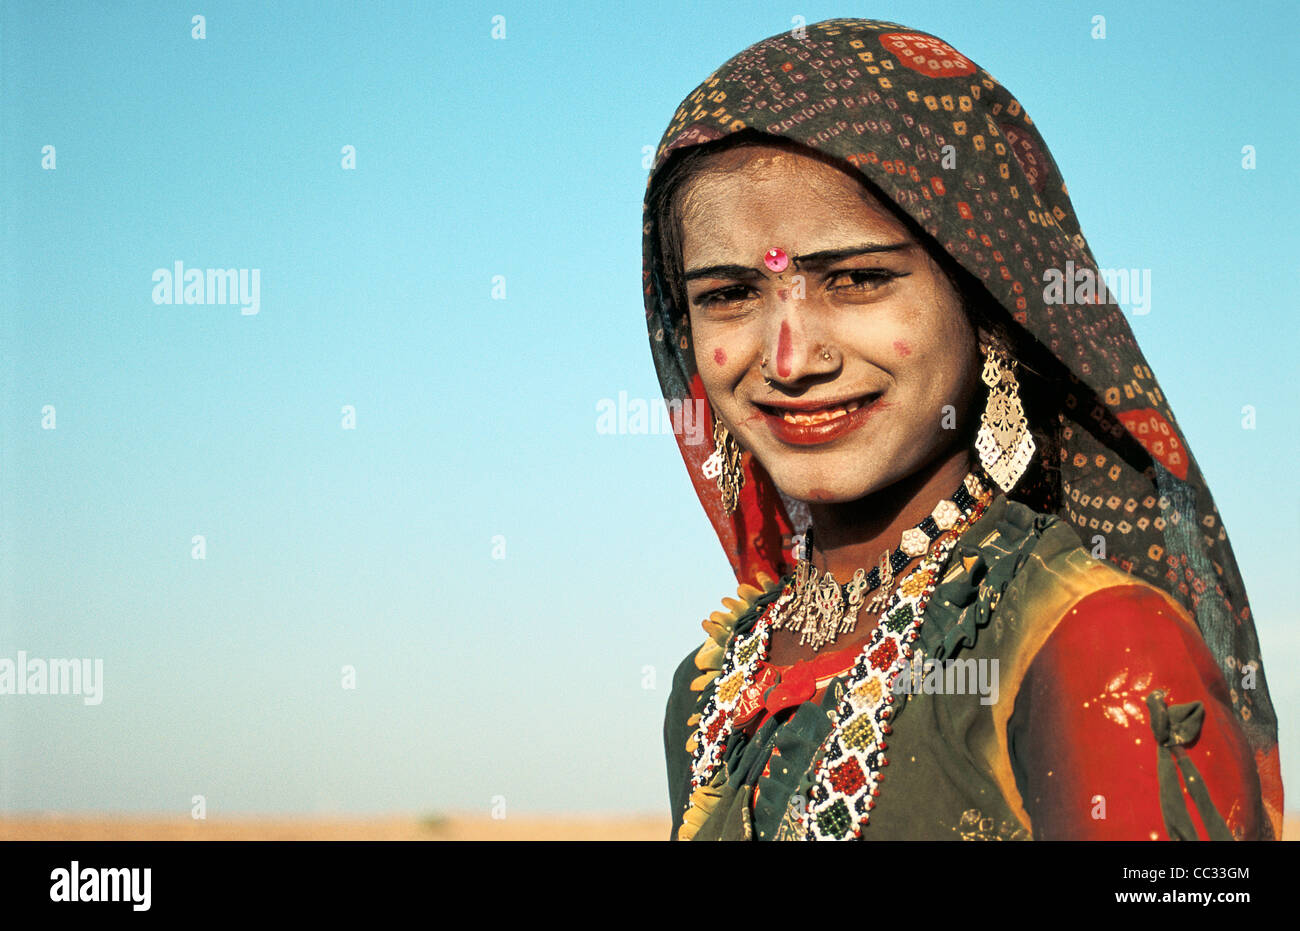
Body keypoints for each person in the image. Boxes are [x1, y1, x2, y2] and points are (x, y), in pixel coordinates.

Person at [644, 18, 1282, 841]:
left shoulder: (1099, 643)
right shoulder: (712, 691)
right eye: (728, 294)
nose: (790, 358)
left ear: (987, 308)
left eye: (858, 279)